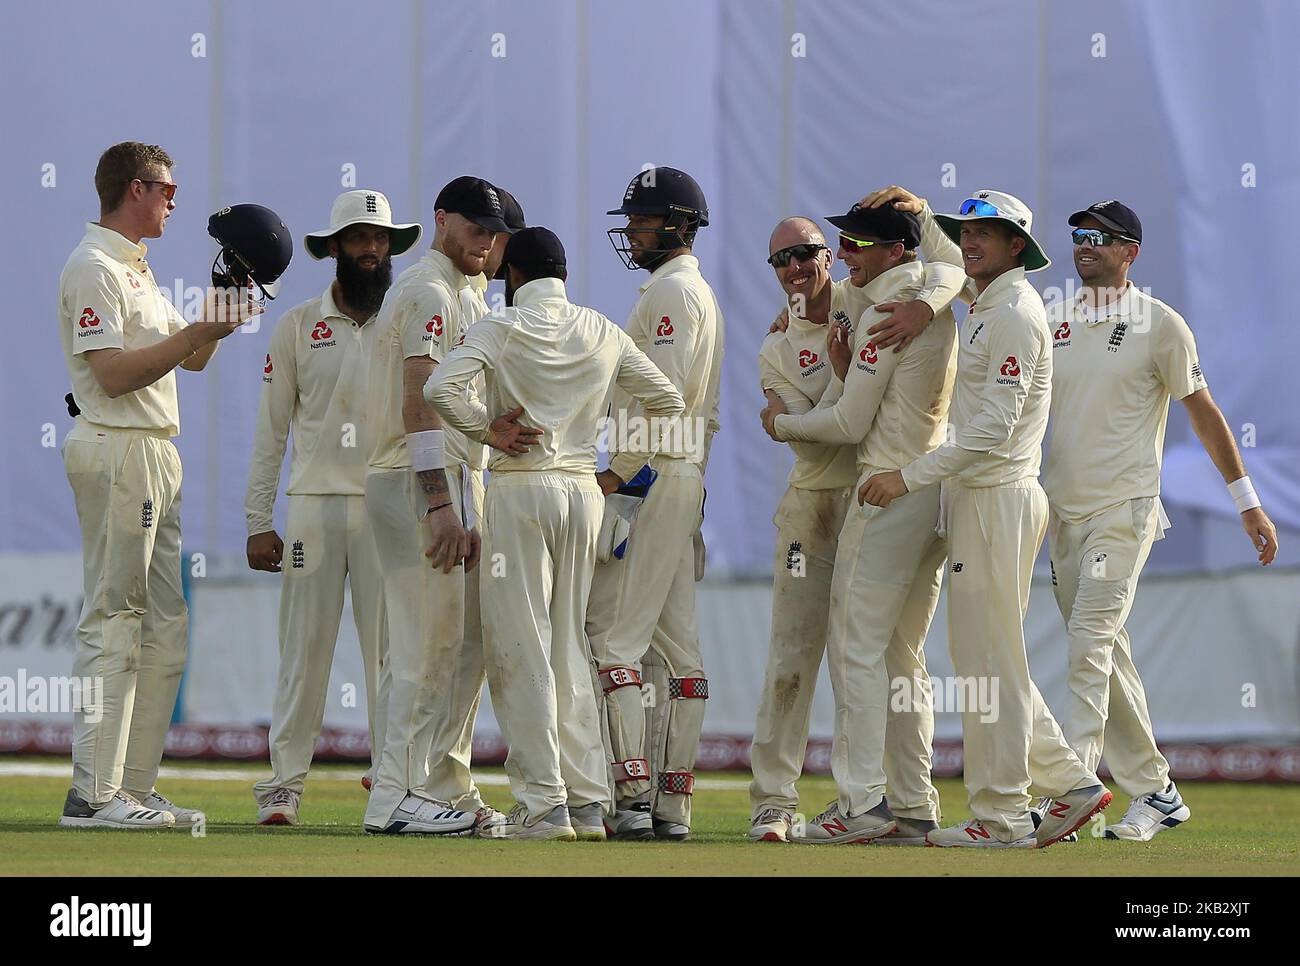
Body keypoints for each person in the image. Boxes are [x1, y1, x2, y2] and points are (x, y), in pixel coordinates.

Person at [860, 187, 1109, 848]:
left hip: (998, 498)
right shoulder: (992, 301)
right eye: (964, 233)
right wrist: (918, 211)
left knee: (989, 666)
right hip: (981, 501)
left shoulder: (1013, 313)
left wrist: (905, 477)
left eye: (987, 234)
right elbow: (950, 269)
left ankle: (1002, 814)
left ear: (1015, 246)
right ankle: (1065, 788)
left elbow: (992, 430)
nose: (971, 243)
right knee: (989, 662)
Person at [427, 227, 684, 840]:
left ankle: (544, 803)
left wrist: (489, 431)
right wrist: (616, 472)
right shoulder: (599, 328)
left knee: (521, 644)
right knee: (570, 646)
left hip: (521, 490)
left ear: (513, 275)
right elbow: (668, 401)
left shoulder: (501, 325)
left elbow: (440, 389)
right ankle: (589, 799)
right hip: (583, 494)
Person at [1042, 200, 1278, 841]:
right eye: (1078, 236)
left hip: (1126, 510)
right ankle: (1157, 791)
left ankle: (1074, 787)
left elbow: (1202, 412)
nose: (1084, 245)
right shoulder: (1052, 317)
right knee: (1105, 654)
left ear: (1130, 251)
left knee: (1089, 646)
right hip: (1063, 513)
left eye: (1099, 237)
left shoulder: (1160, 326)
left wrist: (1246, 501)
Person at [57, 141, 261, 828]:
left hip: (153, 450)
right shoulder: (94, 267)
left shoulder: (136, 269)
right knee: (115, 619)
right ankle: (92, 795)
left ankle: (132, 788)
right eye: (168, 189)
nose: (175, 200)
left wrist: (225, 308)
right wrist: (198, 328)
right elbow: (112, 374)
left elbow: (193, 358)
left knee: (165, 626)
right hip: (116, 448)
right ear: (136, 188)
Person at [748, 212, 963, 843]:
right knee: (796, 652)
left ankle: (897, 800)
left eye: (808, 253)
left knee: (886, 653)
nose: (797, 269)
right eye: (782, 261)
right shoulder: (776, 347)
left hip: (880, 497)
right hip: (814, 511)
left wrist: (924, 304)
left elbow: (947, 270)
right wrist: (836, 379)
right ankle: (774, 800)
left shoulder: (863, 294)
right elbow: (818, 450)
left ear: (828, 256)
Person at [246, 189, 421, 825]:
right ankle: (282, 789)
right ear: (334, 249)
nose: (371, 250)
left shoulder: (407, 320)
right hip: (314, 508)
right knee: (303, 653)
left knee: (390, 658)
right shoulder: (296, 325)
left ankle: (390, 784)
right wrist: (257, 521)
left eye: (380, 240)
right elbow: (270, 432)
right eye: (358, 239)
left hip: (387, 503)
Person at [361, 176, 522, 835]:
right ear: (442, 220)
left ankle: (438, 785)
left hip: (451, 474)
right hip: (417, 474)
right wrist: (439, 505)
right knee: (429, 643)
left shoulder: (466, 291)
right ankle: (393, 799)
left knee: (459, 642)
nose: (485, 240)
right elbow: (418, 399)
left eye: (494, 231)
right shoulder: (429, 288)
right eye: (475, 227)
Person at [588, 166, 724, 841]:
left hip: (657, 475)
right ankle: (674, 806)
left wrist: (618, 474)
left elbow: (665, 395)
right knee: (680, 652)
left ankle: (633, 797)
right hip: (682, 475)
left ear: (676, 223)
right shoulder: (690, 290)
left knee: (618, 641)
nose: (632, 232)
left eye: (641, 220)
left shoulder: (672, 294)